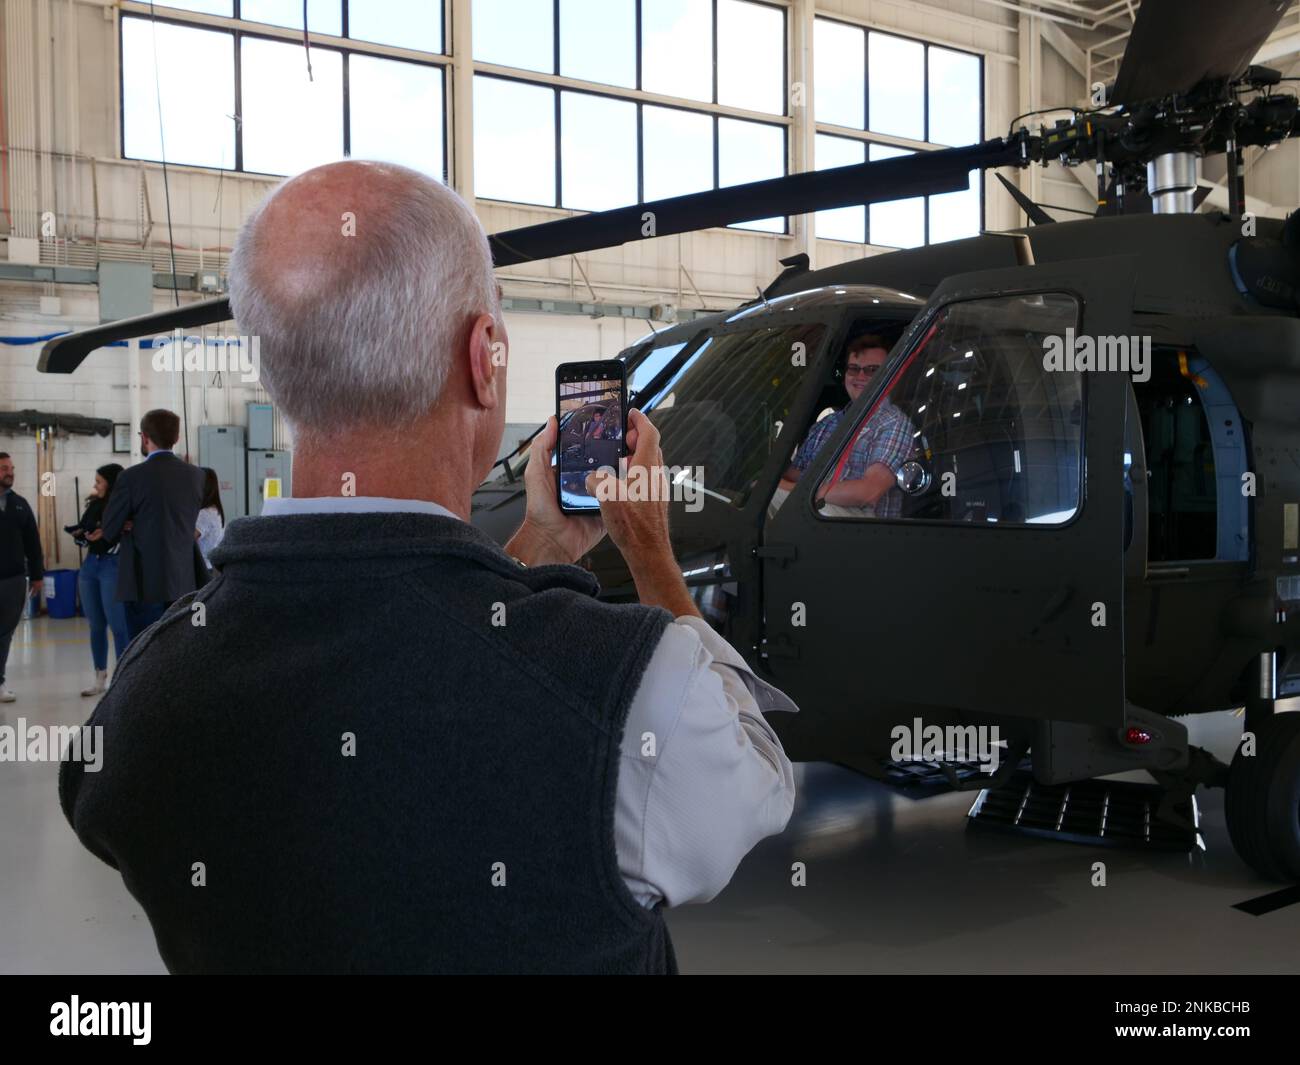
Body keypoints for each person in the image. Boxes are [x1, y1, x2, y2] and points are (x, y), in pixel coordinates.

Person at [60, 160, 797, 975]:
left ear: (273, 368)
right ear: (483, 356)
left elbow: (413, 638)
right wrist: (651, 554)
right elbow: (755, 780)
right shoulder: (631, 688)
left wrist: (539, 549)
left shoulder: (145, 699)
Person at [772, 334, 915, 518]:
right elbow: (800, 475)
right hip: (816, 515)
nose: (860, 376)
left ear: (890, 375)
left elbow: (868, 492)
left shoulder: (894, 423)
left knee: (775, 499)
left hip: (860, 532)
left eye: (872, 370)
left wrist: (789, 489)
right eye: (854, 369)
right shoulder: (826, 424)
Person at [94, 410, 206, 641]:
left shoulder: (130, 477)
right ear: (176, 438)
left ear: (144, 438)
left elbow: (110, 528)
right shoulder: (196, 476)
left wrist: (128, 522)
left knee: (144, 651)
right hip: (184, 579)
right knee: (180, 648)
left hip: (142, 581)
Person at [66, 463, 129, 697]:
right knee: (96, 625)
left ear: (111, 483)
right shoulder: (93, 505)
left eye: (99, 481)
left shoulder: (124, 506)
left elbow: (130, 530)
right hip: (91, 565)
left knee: (118, 626)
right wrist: (81, 536)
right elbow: (84, 533)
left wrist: (109, 530)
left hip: (113, 566)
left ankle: (122, 678)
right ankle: (99, 677)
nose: (95, 485)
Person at [0, 452, 44, 703]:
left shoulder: (20, 504)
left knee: (5, 634)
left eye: (11, 468)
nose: (10, 472)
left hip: (13, 581)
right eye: (4, 468)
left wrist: (37, 575)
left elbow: (32, 543)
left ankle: (0, 682)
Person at [194, 467, 225, 569]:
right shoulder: (214, 510)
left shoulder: (204, 514)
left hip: (202, 569)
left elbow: (185, 539)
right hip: (208, 567)